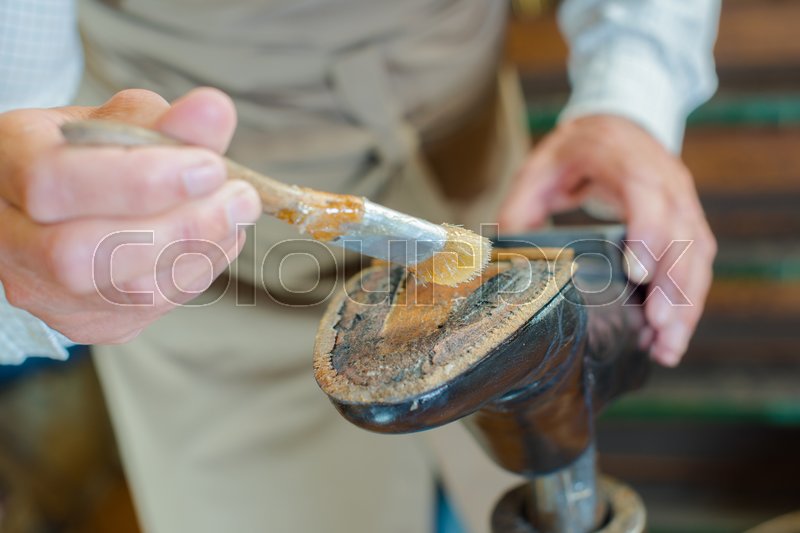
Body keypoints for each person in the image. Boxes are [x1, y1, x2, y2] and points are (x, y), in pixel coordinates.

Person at [0, 0, 720, 531]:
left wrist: (629, 100)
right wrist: (31, 240)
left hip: (491, 221)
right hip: (211, 300)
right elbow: (22, 103)